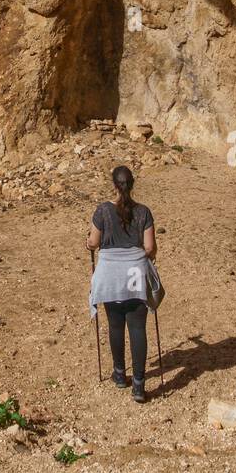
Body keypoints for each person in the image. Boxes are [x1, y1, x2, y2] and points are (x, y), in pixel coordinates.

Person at [87, 165, 156, 402]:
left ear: (114, 185)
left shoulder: (103, 210)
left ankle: (119, 374)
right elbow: (149, 248)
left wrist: (88, 243)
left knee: (115, 325)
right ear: (133, 184)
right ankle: (138, 385)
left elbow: (93, 242)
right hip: (135, 271)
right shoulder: (144, 212)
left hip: (110, 273)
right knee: (137, 327)